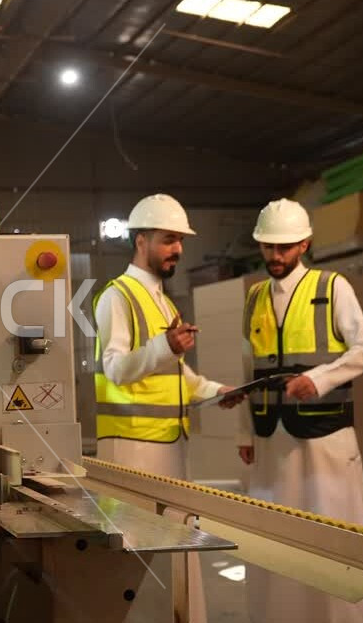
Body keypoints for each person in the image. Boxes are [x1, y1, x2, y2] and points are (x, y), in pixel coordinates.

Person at [93, 193, 240, 623]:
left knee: (177, 555)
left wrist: (217, 391)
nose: (177, 249)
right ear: (141, 241)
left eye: (179, 241)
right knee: (140, 568)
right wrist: (164, 345)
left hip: (169, 449)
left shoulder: (165, 302)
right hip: (132, 451)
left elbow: (179, 377)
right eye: (168, 239)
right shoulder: (116, 296)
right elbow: (116, 369)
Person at [238, 198, 363, 623]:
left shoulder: (333, 287)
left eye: (285, 248)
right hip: (271, 440)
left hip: (327, 439)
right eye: (268, 248)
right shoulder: (255, 296)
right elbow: (251, 368)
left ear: (305, 245)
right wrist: (245, 432)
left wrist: (319, 379)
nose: (275, 257)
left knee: (333, 538)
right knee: (275, 538)